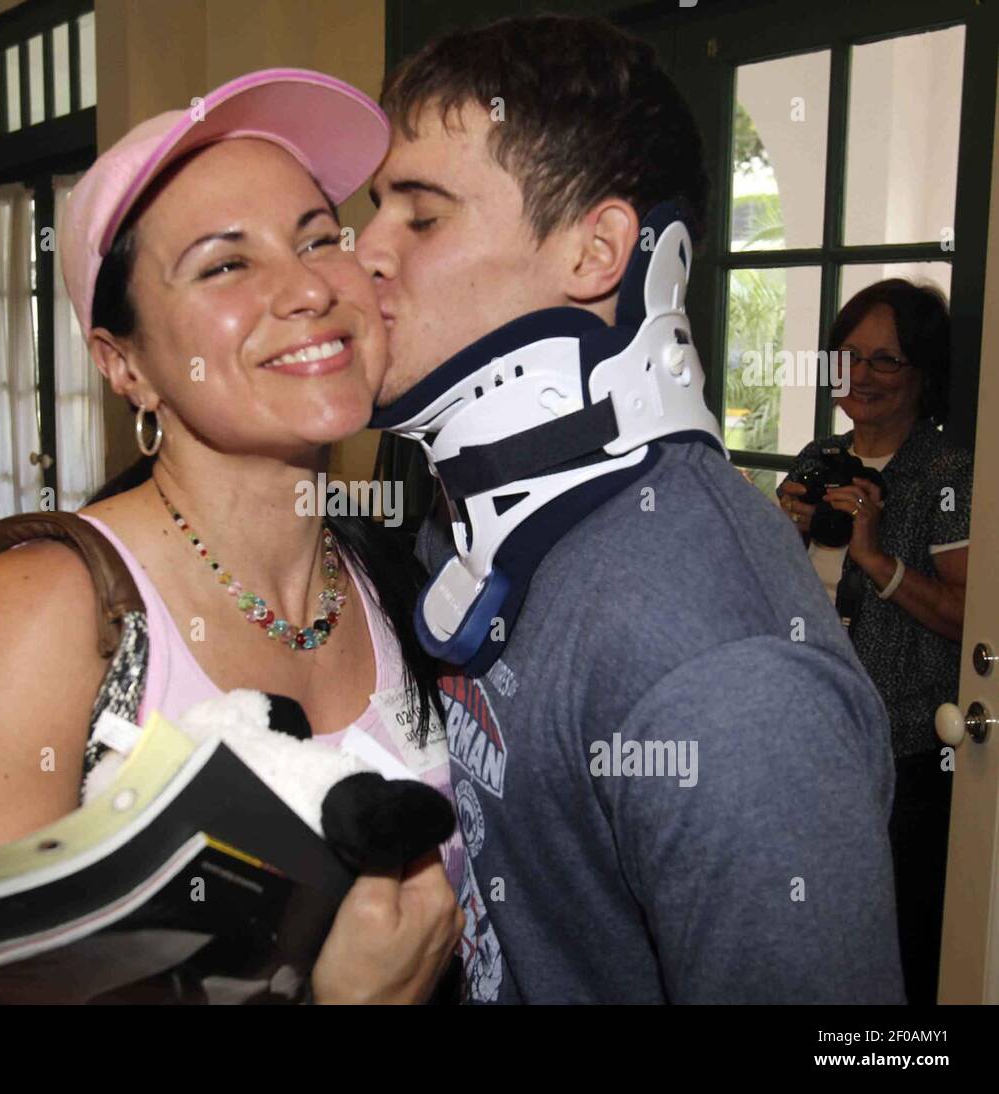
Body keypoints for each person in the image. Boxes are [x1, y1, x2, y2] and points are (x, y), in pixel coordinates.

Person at [0, 70, 462, 1004]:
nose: (306, 286)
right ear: (126, 364)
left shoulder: (398, 575)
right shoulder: (43, 610)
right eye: (226, 264)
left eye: (318, 237)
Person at [358, 13, 904, 1002]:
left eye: (420, 214)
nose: (363, 253)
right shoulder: (480, 535)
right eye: (372, 208)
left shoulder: (723, 674)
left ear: (597, 247)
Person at [778, 279, 969, 1005]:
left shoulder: (949, 472)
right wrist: (784, 536)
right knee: (816, 937)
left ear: (923, 372)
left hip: (909, 754)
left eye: (886, 361)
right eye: (848, 357)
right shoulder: (818, 457)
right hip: (812, 746)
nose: (860, 377)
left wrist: (878, 559)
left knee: (896, 949)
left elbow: (971, 623)